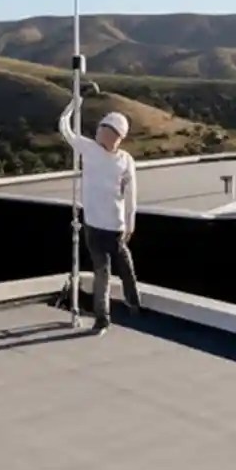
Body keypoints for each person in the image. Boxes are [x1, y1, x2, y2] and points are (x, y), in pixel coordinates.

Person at [58, 99, 141, 333]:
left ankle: (133, 301)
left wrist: (130, 223)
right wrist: (73, 105)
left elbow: (131, 195)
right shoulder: (89, 149)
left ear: (116, 136)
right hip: (93, 225)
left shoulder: (125, 161)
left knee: (125, 266)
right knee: (101, 273)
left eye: (104, 129)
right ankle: (102, 318)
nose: (99, 132)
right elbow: (65, 128)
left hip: (115, 227)